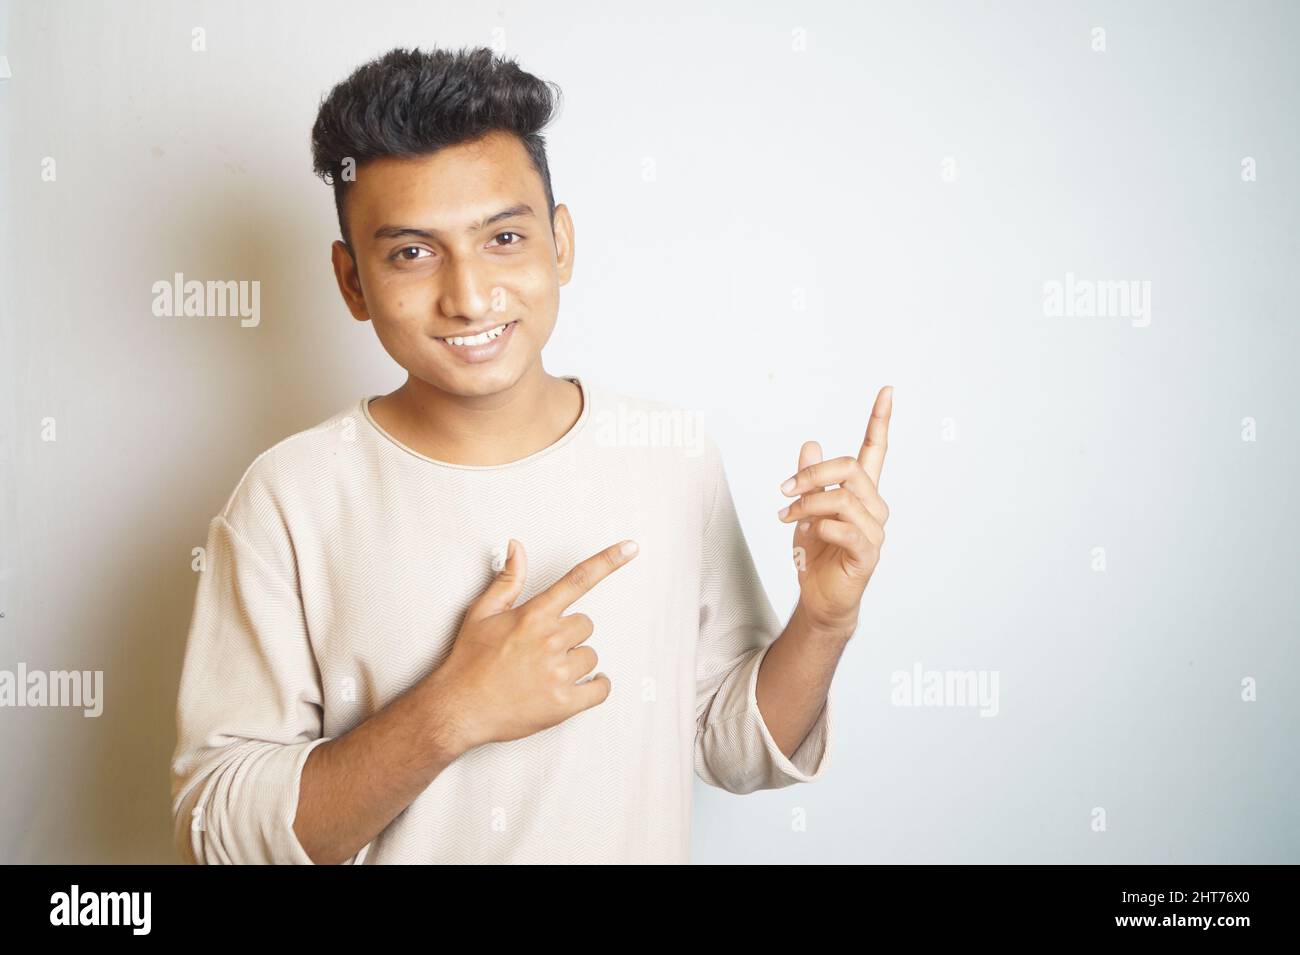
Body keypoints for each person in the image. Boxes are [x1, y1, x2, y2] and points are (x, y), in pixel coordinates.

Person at [170, 45, 892, 864]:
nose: (470, 294)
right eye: (412, 252)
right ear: (351, 281)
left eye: (504, 238)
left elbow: (731, 746)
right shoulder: (287, 499)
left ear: (561, 243)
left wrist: (825, 620)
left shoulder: (669, 457)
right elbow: (219, 835)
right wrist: (450, 711)